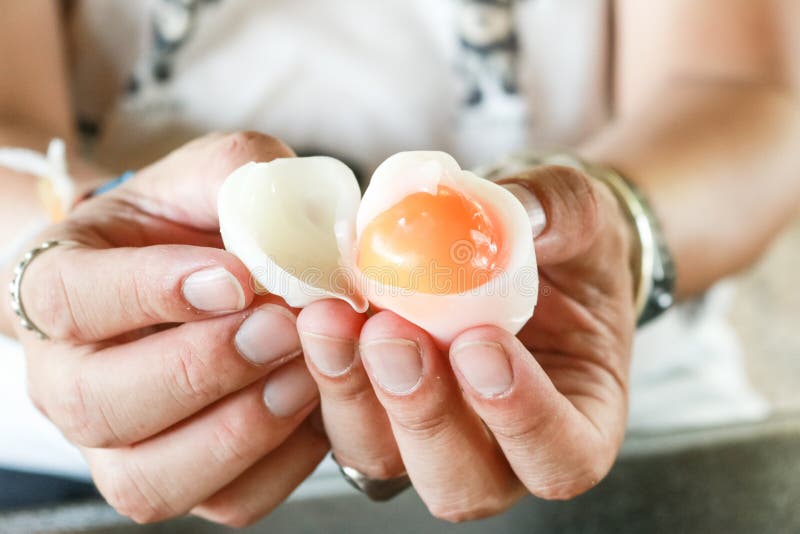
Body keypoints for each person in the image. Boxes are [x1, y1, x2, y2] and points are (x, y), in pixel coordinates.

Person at [1, 0, 797, 526]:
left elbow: (738, 90)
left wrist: (618, 231)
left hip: (610, 396)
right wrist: (53, 268)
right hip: (88, 440)